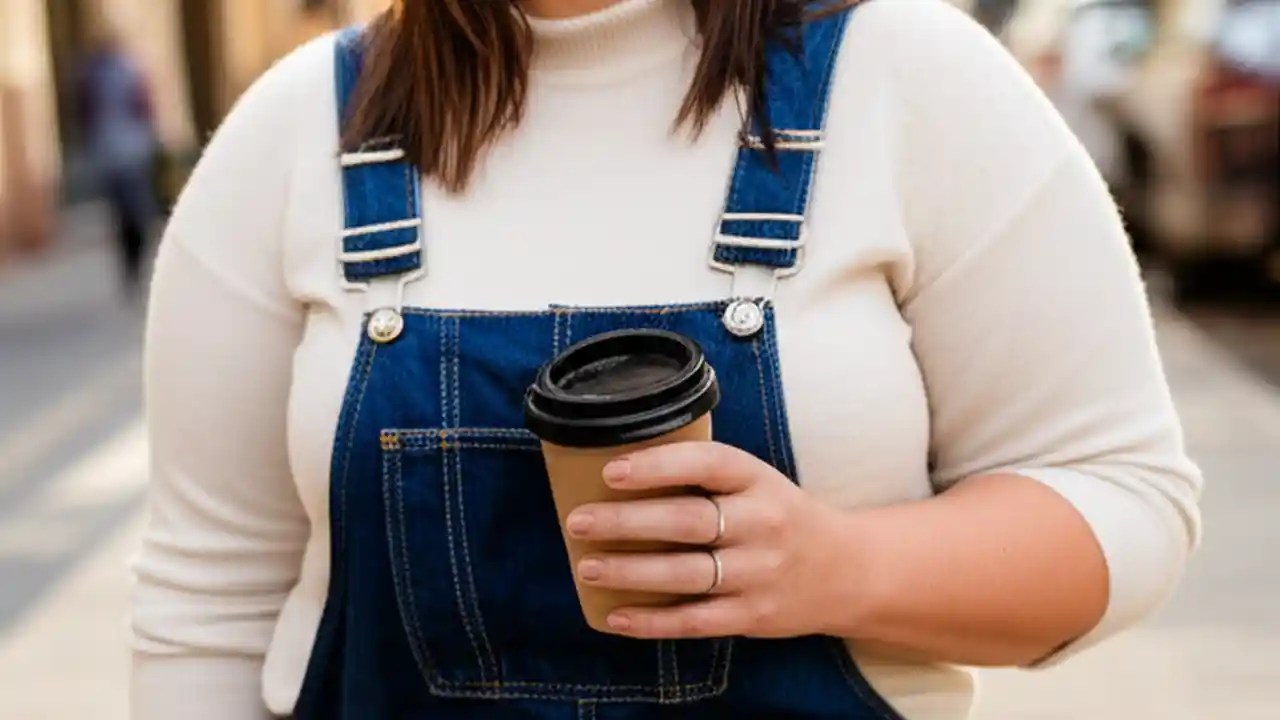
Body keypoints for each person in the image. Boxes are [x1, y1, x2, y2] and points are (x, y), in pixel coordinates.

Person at [132, 1, 1203, 719]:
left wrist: (838, 568)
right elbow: (206, 604)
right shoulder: (297, 130)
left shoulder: (910, 79)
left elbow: (1120, 499)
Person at [77, 31, 159, 296]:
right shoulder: (97, 74)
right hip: (118, 151)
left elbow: (144, 105)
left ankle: (134, 265)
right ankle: (132, 266)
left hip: (126, 149)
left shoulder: (127, 70)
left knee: (132, 212)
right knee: (126, 213)